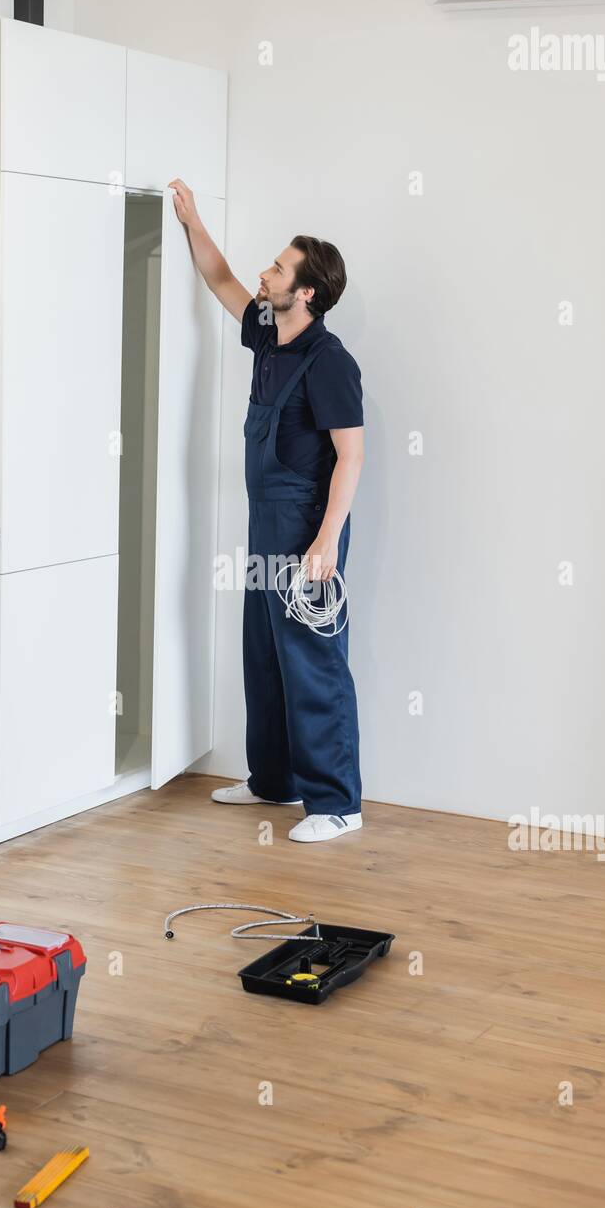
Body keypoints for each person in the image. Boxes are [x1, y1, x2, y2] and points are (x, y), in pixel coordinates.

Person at [169, 178, 364, 843]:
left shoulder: (329, 362)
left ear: (305, 291)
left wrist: (326, 541)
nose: (265, 271)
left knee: (312, 656)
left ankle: (336, 803)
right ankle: (275, 781)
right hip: (265, 524)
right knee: (263, 649)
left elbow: (351, 457)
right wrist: (192, 220)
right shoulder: (267, 333)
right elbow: (221, 277)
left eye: (278, 268)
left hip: (306, 524)